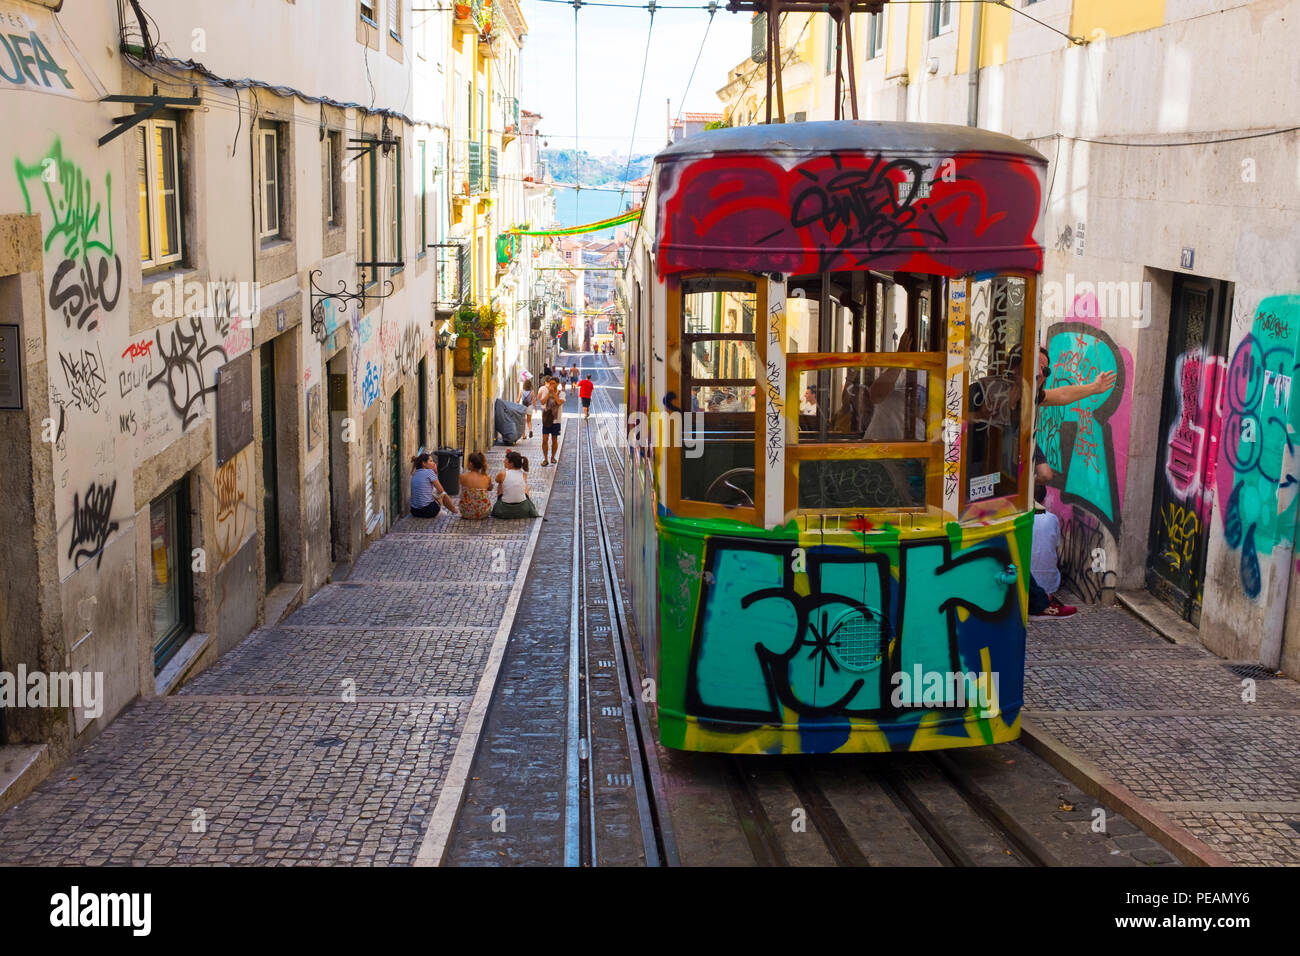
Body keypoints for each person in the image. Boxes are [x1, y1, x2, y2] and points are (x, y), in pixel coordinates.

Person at [1029, 483, 1077, 618]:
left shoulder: (1024, 520)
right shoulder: (1052, 518)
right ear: (1043, 500)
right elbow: (1055, 545)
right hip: (1049, 583)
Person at [492, 450, 541, 518]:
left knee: (500, 484)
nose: (504, 461)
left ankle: (499, 503)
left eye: (506, 459)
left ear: (511, 463)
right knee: (525, 485)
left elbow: (497, 480)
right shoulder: (524, 474)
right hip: (523, 510)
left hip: (504, 511)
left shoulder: (502, 474)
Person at [409, 452, 458, 518]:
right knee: (443, 494)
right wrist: (435, 471)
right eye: (431, 461)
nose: (433, 463)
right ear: (424, 463)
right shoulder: (429, 472)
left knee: (433, 493)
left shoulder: (415, 473)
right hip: (428, 511)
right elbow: (441, 490)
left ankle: (447, 510)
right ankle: (455, 511)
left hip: (414, 511)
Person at [458, 451, 493, 520]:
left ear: (470, 464)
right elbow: (490, 488)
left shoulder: (463, 477)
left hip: (466, 513)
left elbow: (462, 485)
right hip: (484, 512)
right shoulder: (487, 477)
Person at [540, 375, 565, 466]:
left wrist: (554, 394)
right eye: (550, 383)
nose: (551, 385)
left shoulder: (561, 393)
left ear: (557, 384)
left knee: (554, 440)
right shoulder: (546, 392)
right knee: (544, 439)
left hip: (556, 421)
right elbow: (542, 402)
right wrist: (548, 394)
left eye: (553, 383)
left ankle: (553, 457)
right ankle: (545, 459)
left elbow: (559, 402)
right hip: (547, 420)